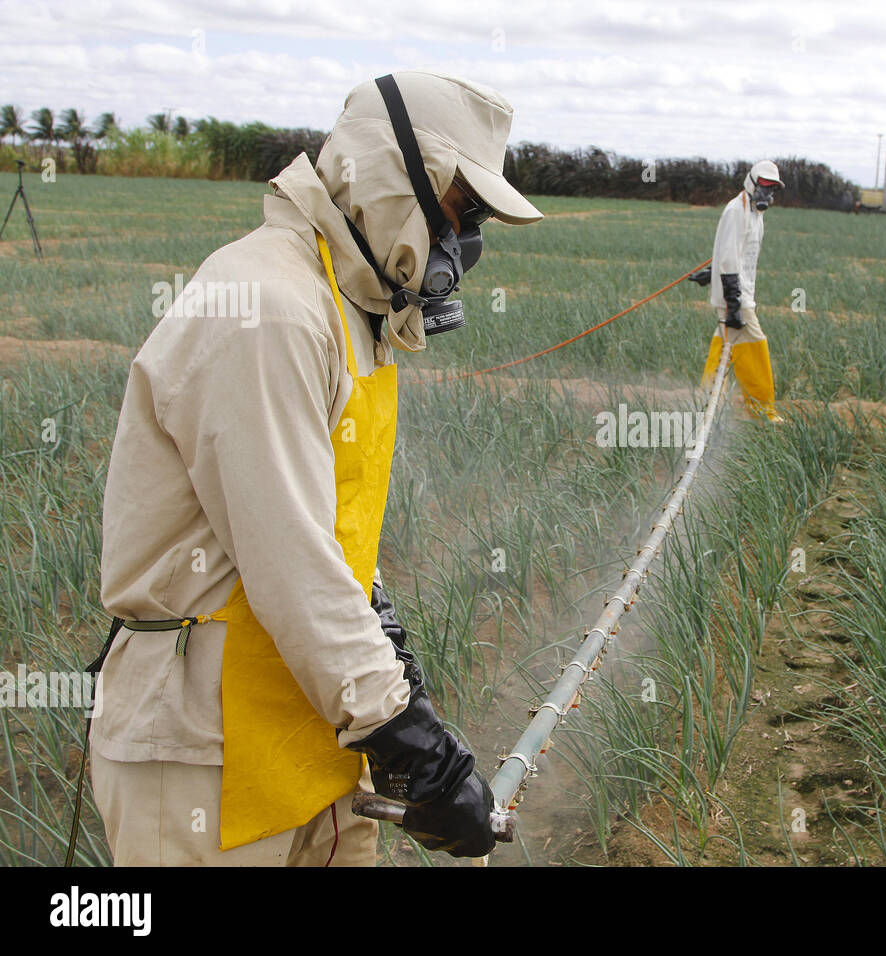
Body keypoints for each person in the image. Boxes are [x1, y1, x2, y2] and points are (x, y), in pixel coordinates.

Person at [84, 71, 543, 866]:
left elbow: (329, 533)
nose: (465, 243)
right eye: (462, 210)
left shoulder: (347, 308)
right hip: (206, 748)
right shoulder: (269, 307)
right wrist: (413, 743)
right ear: (394, 176)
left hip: (313, 729)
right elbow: (290, 559)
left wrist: (390, 665)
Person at [700, 160, 785, 422]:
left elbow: (735, 251)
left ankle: (705, 401)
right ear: (752, 182)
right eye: (764, 186)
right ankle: (763, 411)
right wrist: (733, 302)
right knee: (756, 344)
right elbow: (728, 256)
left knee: (724, 343)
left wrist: (712, 272)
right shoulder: (737, 210)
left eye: (772, 188)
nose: (767, 193)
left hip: (739, 292)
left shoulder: (755, 215)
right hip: (737, 297)